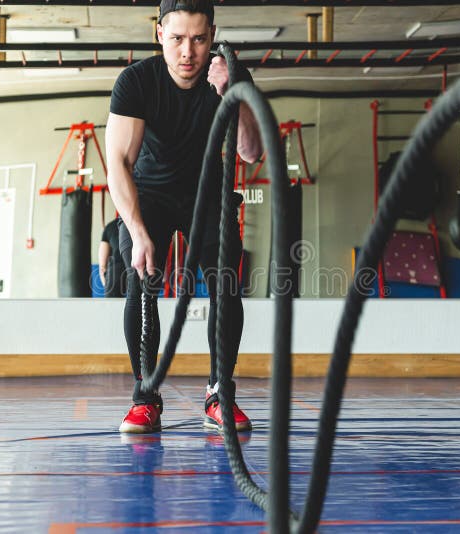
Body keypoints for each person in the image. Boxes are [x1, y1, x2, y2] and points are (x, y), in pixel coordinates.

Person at [105, 0, 262, 434]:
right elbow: (117, 161)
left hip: (208, 196)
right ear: (160, 35)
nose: (187, 52)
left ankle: (219, 392)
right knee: (141, 281)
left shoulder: (230, 74)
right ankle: (145, 399)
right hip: (148, 195)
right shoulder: (137, 82)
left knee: (226, 285)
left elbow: (252, 151)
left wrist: (235, 93)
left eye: (197, 39)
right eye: (176, 39)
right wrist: (137, 232)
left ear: (212, 35)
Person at [98, 218, 127, 298]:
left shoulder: (110, 226)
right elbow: (102, 266)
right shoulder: (110, 227)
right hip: (138, 269)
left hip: (119, 272)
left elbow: (102, 266)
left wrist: (107, 286)